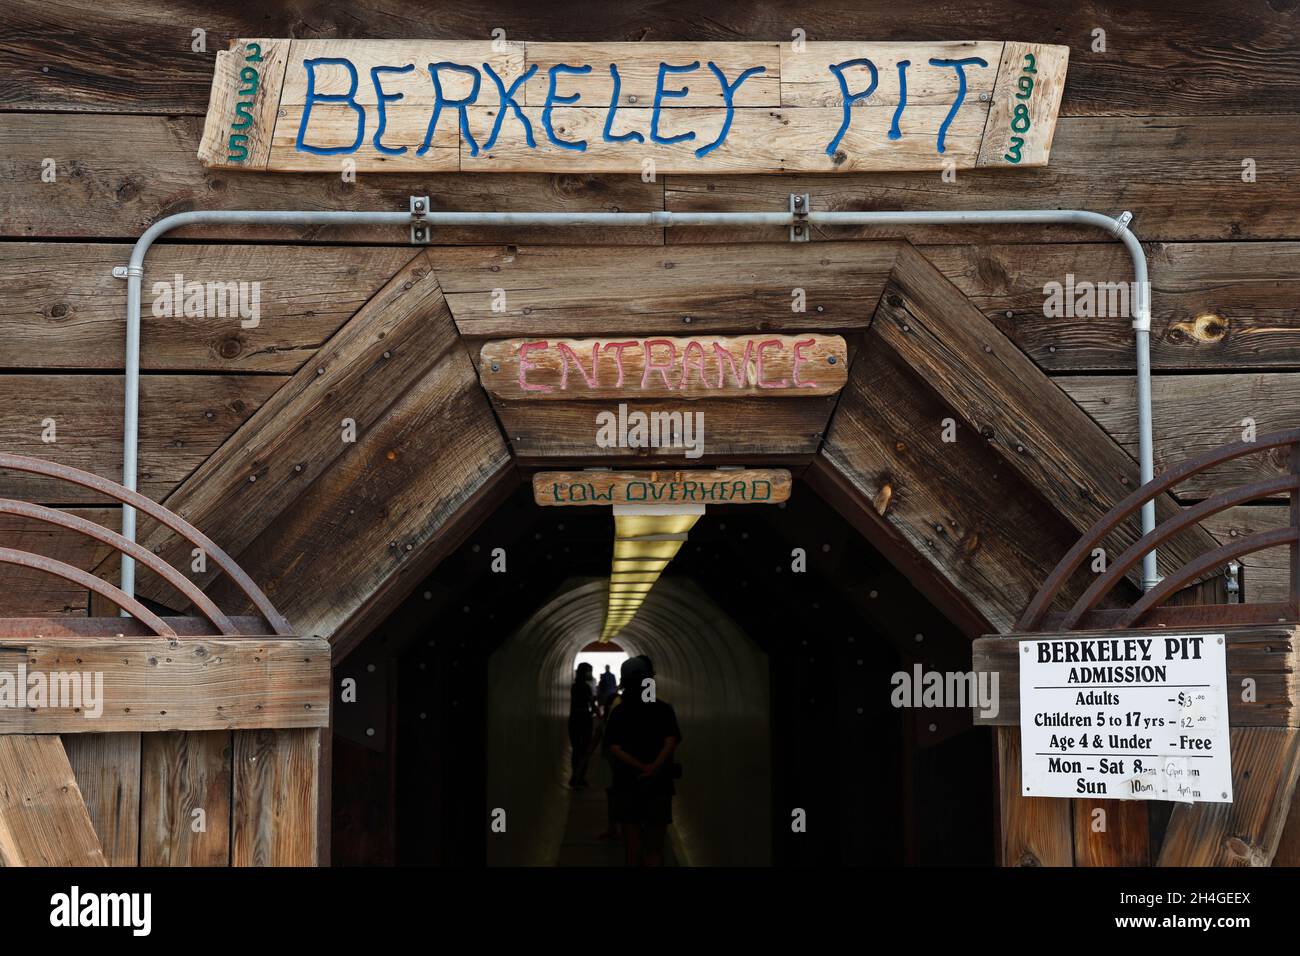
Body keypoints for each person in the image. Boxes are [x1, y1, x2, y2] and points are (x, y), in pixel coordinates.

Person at [603, 655, 682, 866]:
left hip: (628, 784)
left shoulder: (619, 712)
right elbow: (671, 741)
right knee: (655, 849)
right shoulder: (663, 709)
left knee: (633, 846)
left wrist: (639, 766)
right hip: (659, 785)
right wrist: (654, 767)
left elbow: (614, 747)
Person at [568, 662, 595, 788]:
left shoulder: (574, 686)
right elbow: (592, 705)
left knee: (576, 750)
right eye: (590, 671)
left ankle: (575, 776)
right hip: (584, 719)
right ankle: (580, 777)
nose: (591, 674)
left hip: (574, 719)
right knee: (584, 750)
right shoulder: (585, 687)